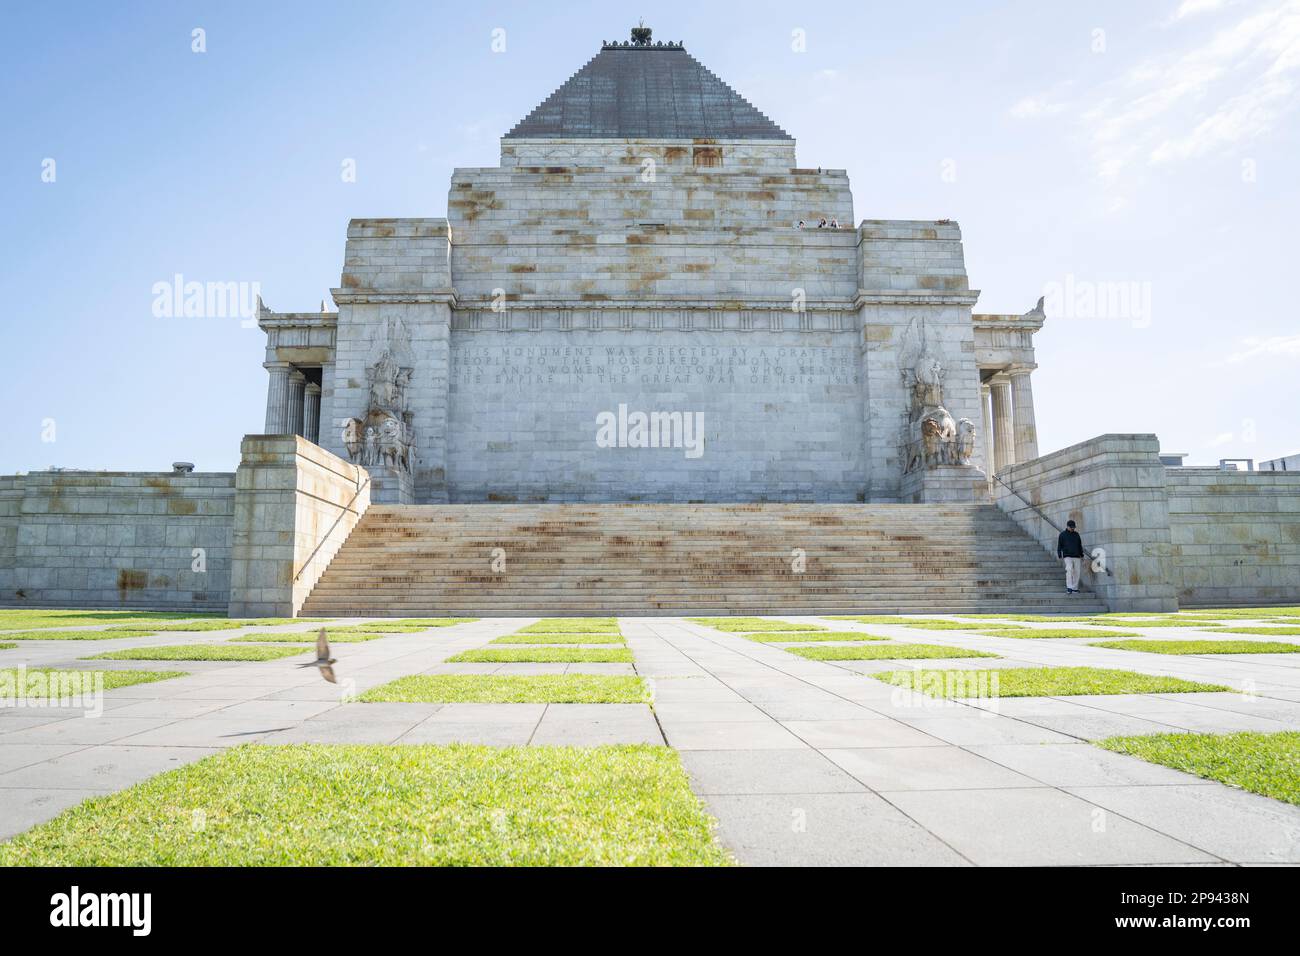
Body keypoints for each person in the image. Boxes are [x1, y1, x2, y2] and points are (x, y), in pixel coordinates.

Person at [1057, 519, 1086, 594]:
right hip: (1067, 556)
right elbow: (1059, 546)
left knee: (1077, 572)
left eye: (1073, 527)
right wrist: (1060, 555)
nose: (1073, 528)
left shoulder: (1076, 534)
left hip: (1077, 556)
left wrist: (1082, 555)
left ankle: (1075, 588)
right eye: (1071, 527)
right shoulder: (1062, 535)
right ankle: (1069, 587)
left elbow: (1079, 545)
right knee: (1069, 570)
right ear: (1067, 526)